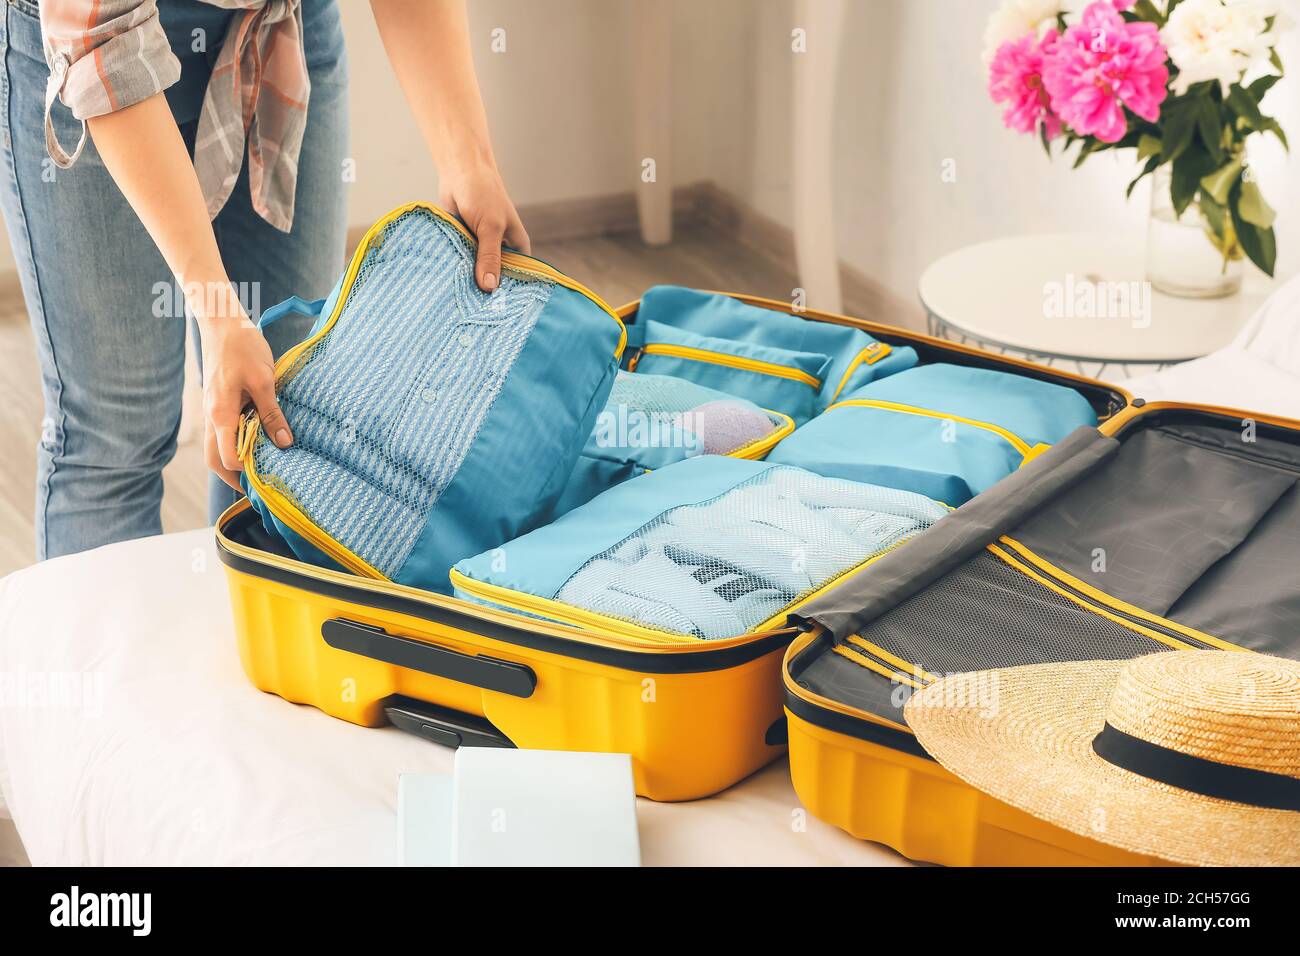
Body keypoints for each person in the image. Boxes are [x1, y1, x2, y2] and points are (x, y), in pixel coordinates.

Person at [0, 0, 529, 560]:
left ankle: (247, 640)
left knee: (284, 411)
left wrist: (468, 161)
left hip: (283, 24)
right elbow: (104, 38)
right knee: (115, 438)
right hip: (95, 45)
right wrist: (217, 311)